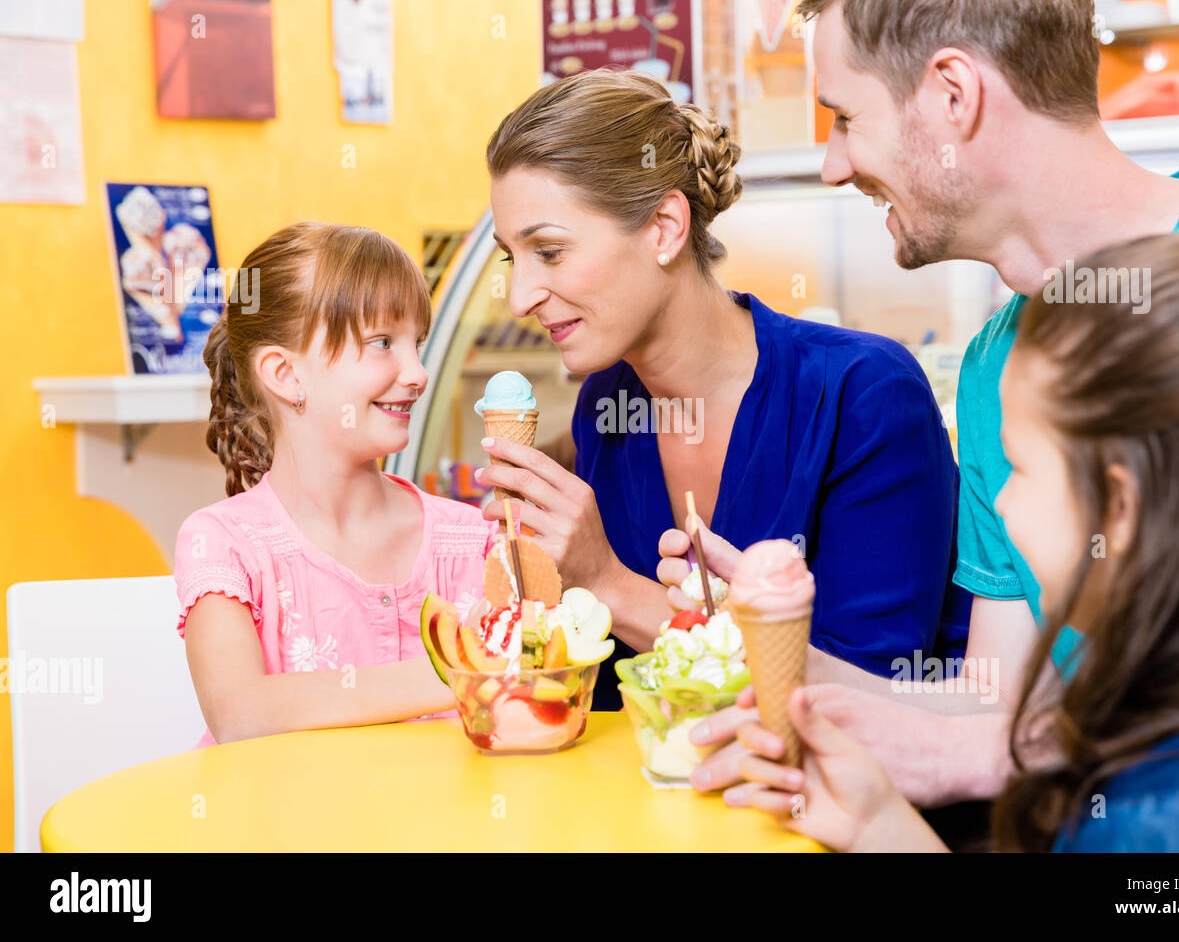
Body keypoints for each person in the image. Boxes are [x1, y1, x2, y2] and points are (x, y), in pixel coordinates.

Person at [666, 0, 1179, 799]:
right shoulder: (993, 367)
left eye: (846, 118)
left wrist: (1010, 758)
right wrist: (767, 641)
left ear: (953, 96)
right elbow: (1005, 703)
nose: (831, 165)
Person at [734, 232, 1179, 851]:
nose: (1000, 502)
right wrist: (878, 826)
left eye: (1020, 468)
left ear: (1120, 506)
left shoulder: (1163, 817)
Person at [477, 68, 970, 711]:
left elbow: (873, 698)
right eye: (513, 258)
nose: (519, 299)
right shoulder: (607, 405)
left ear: (664, 227)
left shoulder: (863, 395)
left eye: (549, 251)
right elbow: (624, 694)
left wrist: (609, 584)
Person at [174, 222, 495, 746]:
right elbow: (240, 711)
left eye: (418, 343)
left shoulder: (474, 538)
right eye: (383, 342)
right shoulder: (224, 544)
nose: (417, 372)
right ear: (285, 374)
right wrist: (464, 668)